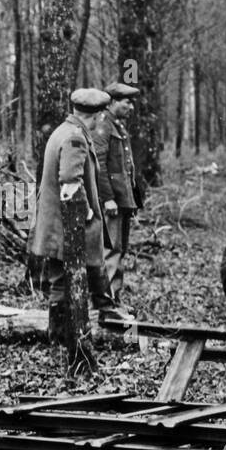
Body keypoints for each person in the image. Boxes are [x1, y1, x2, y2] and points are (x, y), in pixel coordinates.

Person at [31, 88, 119, 323]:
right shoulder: (75, 138)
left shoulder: (64, 130)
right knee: (61, 283)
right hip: (65, 226)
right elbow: (70, 182)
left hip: (57, 224)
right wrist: (86, 214)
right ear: (97, 115)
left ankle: (90, 316)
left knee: (64, 280)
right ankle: (61, 335)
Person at [90, 81, 140, 310]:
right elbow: (98, 164)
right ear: (112, 102)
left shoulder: (116, 126)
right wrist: (107, 197)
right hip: (111, 201)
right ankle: (104, 304)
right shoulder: (103, 125)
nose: (131, 107)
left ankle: (113, 298)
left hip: (122, 200)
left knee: (119, 249)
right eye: (127, 102)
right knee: (110, 250)